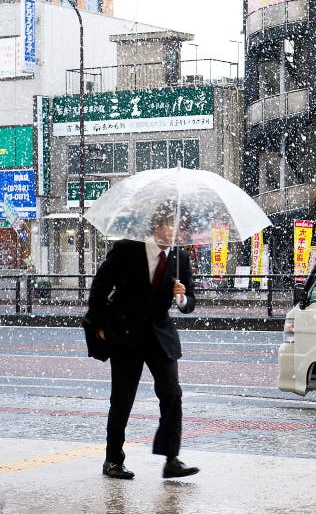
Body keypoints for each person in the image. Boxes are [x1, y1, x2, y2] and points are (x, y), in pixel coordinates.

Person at [86, 202, 199, 480]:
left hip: (160, 336)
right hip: (127, 334)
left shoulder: (179, 259)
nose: (175, 232)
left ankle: (171, 458)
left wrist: (182, 297)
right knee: (122, 399)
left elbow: (191, 301)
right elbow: (101, 285)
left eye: (179, 227)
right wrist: (99, 323)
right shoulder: (128, 248)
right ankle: (113, 460)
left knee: (172, 393)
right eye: (171, 224)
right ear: (157, 226)